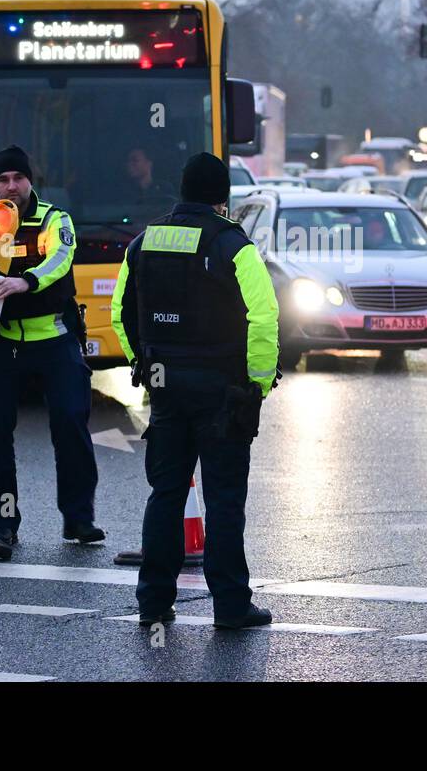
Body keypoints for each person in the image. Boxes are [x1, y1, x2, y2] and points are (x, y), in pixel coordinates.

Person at [109, 152, 280, 629]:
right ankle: (230, 606)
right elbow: (263, 317)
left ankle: (153, 602)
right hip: (222, 391)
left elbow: (120, 311)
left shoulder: (144, 242)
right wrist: (258, 383)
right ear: (222, 198)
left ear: (181, 191)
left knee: (164, 494)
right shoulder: (233, 244)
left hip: (166, 388)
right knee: (224, 500)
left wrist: (143, 364)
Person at [0, 145, 100, 547]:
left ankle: (78, 520)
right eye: (2, 180)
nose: (11, 187)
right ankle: (4, 518)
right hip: (1, 342)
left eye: (17, 178)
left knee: (70, 423)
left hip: (54, 339)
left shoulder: (53, 219)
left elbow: (60, 257)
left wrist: (26, 280)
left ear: (31, 181)